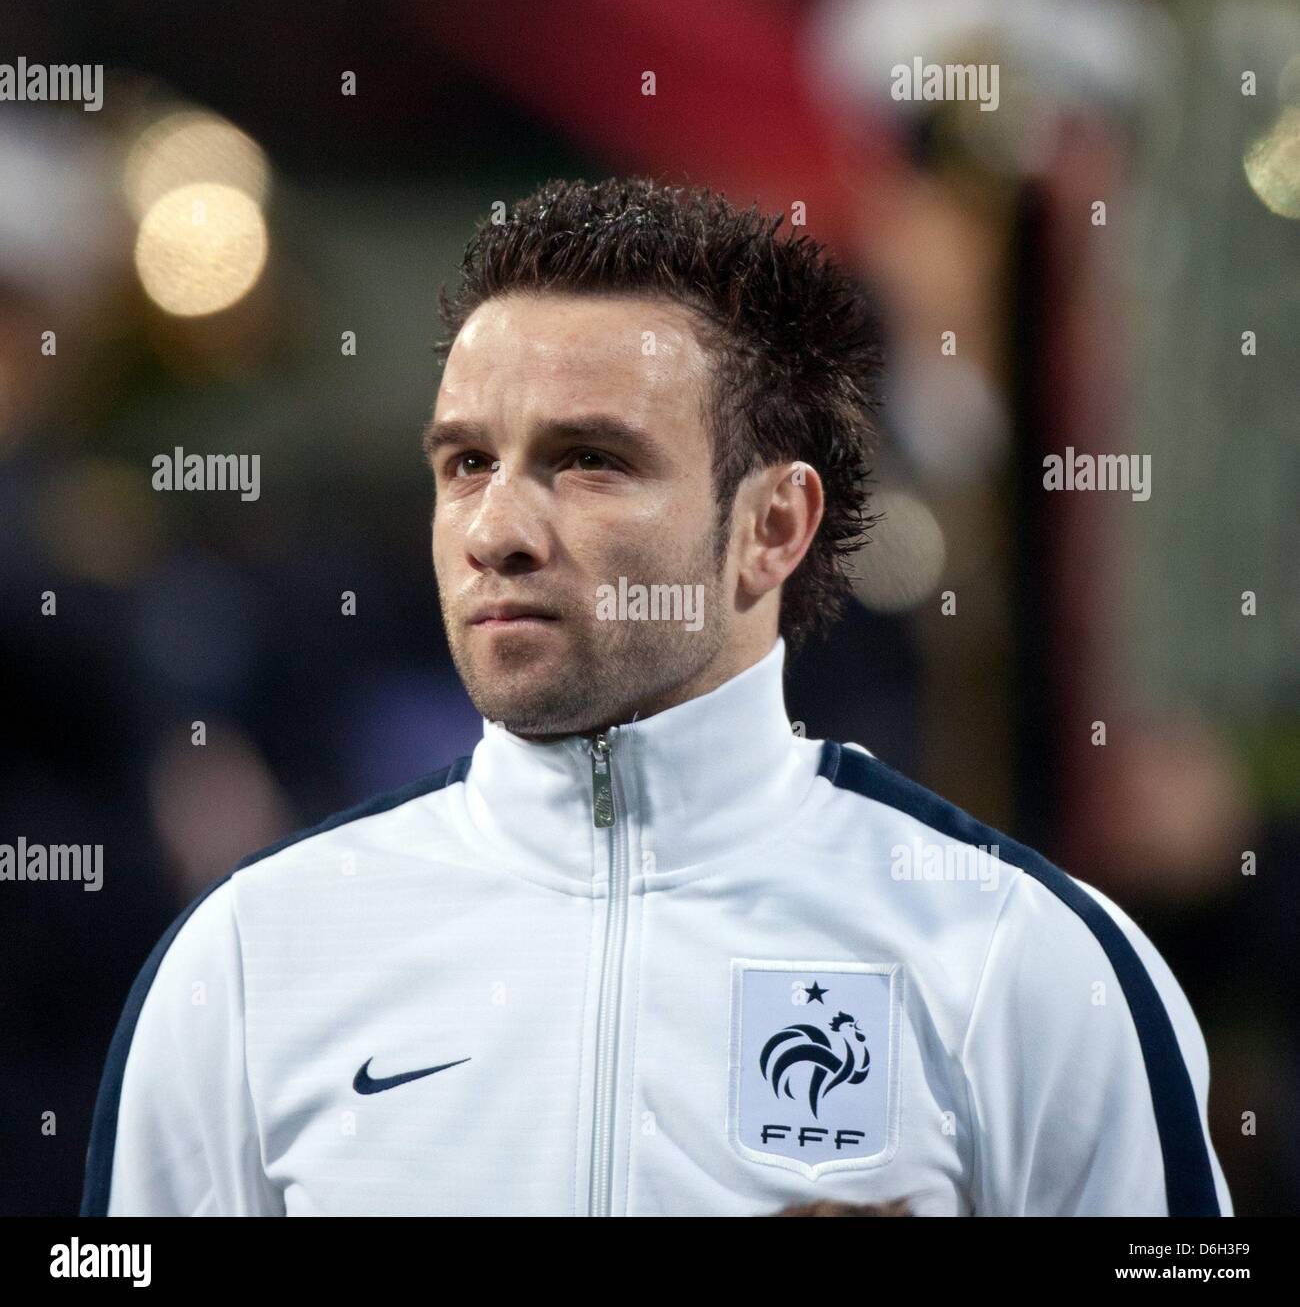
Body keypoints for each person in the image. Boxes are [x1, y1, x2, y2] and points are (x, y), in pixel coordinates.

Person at [81, 176, 1231, 1217]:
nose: (496, 532)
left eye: (590, 459)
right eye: (467, 463)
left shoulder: (1020, 958)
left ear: (771, 527)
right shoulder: (249, 956)